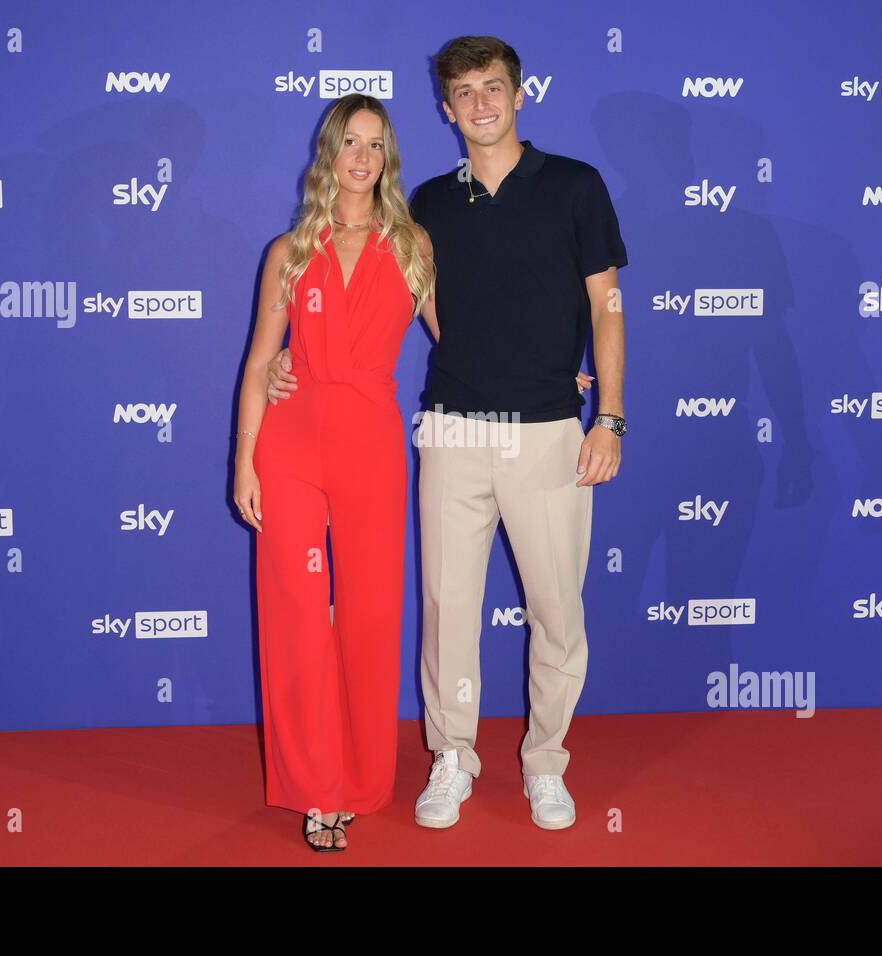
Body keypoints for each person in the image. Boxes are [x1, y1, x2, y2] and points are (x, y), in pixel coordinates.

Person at [268, 36, 628, 832]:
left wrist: (607, 415)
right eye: (463, 92)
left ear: (519, 94)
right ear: (445, 109)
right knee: (448, 609)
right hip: (452, 428)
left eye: (493, 87)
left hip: (547, 434)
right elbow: (402, 308)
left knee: (556, 612)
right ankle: (453, 757)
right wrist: (282, 365)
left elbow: (607, 306)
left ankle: (545, 763)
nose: (480, 104)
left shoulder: (576, 185)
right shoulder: (424, 206)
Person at [233, 93, 434, 851]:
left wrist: (549, 376)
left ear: (388, 158)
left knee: (372, 615)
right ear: (329, 154)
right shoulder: (289, 250)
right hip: (289, 447)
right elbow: (258, 363)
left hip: (371, 447)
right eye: (350, 142)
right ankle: (317, 788)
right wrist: (243, 462)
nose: (361, 157)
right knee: (295, 615)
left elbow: (466, 340)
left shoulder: (414, 245)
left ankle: (358, 778)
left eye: (376, 145)